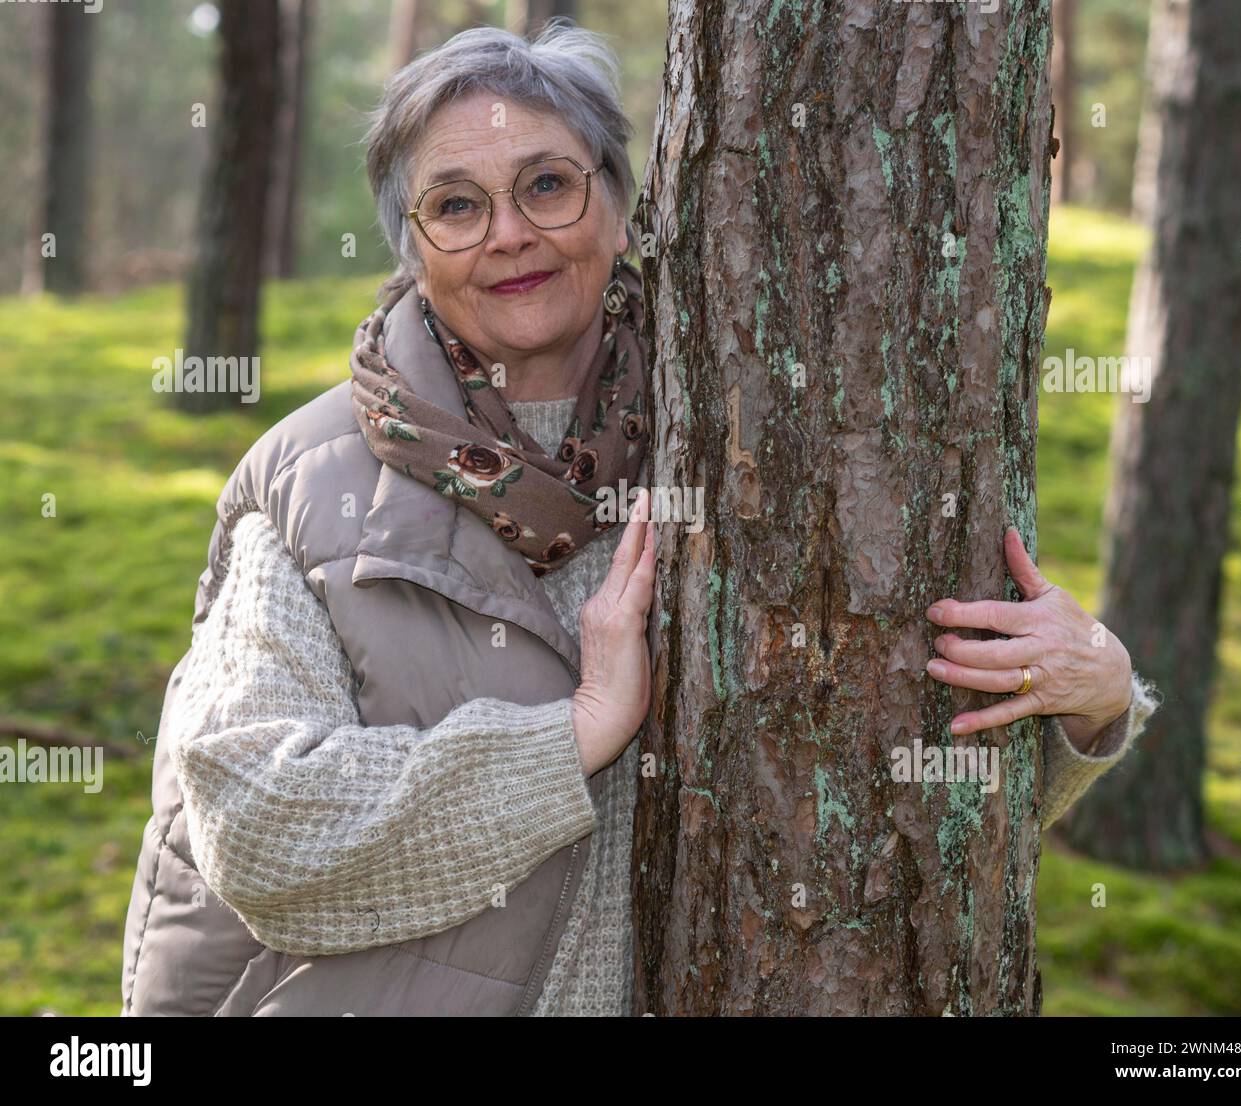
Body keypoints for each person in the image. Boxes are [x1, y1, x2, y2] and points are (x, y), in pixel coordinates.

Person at [119, 20, 1160, 1017]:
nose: (510, 234)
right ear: (413, 247)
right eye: (456, 204)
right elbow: (252, 824)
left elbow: (887, 816)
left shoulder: (753, 442)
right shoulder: (311, 485)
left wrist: (1087, 701)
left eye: (546, 185)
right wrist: (569, 736)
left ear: (622, 206)